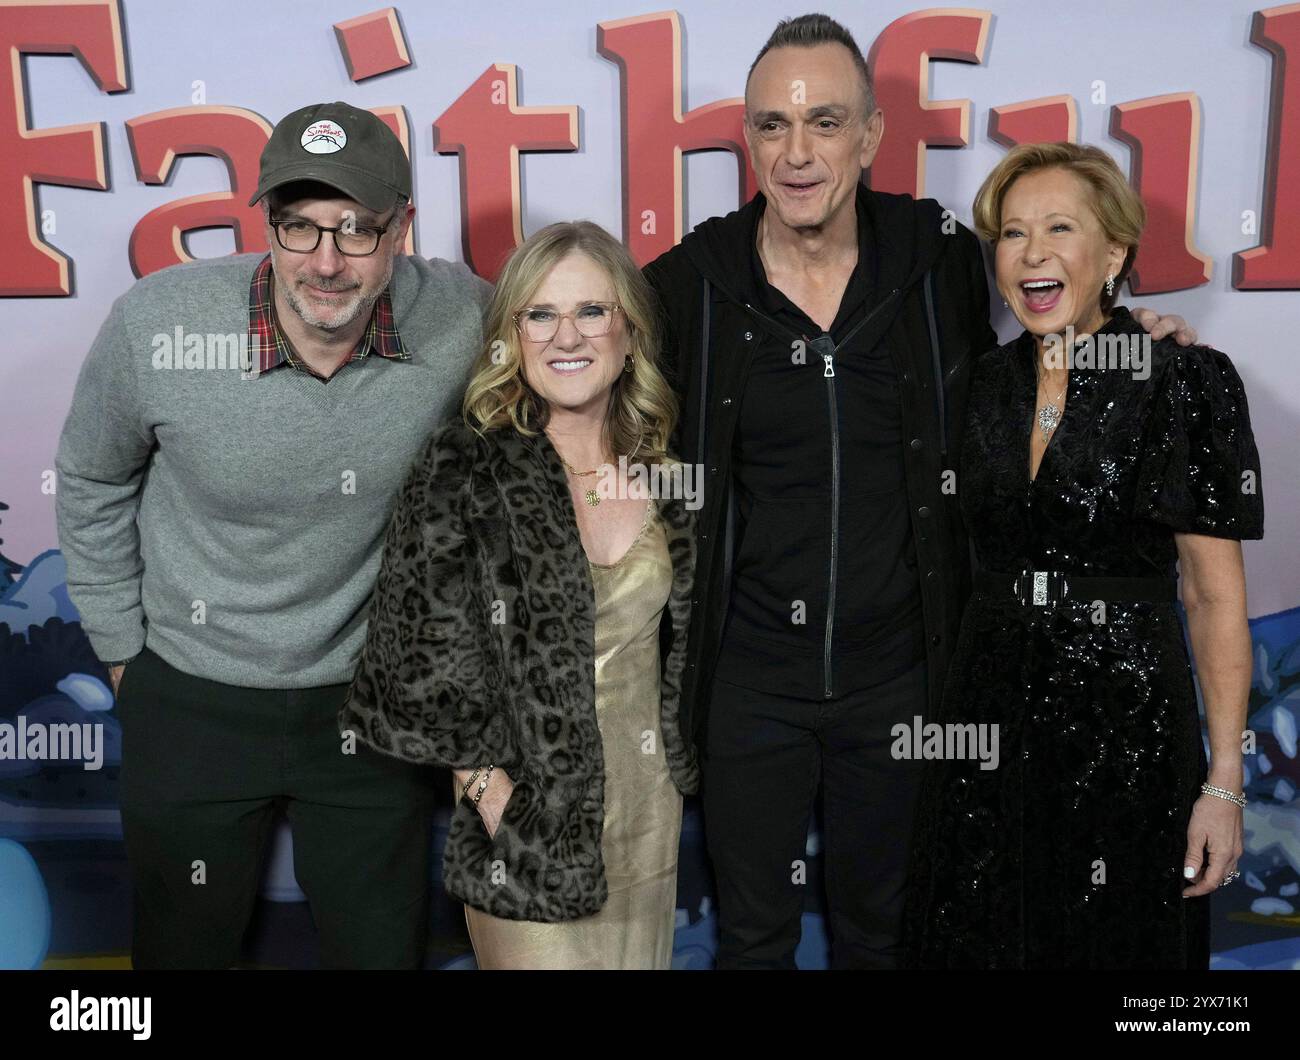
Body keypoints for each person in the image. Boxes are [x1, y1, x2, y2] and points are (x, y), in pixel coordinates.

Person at [642, 12, 1199, 969]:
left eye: (825, 123)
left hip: (904, 682)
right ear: (749, 139)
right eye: (773, 124)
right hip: (748, 687)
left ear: (870, 137)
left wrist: (1125, 336)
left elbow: (1045, 332)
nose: (798, 150)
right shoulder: (690, 284)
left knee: (889, 935)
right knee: (752, 939)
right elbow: (589, 396)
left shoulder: (938, 258)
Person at [54, 101, 490, 969]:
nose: (325, 262)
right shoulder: (158, 326)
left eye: (356, 230)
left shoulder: (465, 322)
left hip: (371, 706)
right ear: (269, 225)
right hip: (191, 694)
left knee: (382, 954)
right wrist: (120, 651)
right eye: (300, 228)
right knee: (180, 953)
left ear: (401, 229)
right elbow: (92, 478)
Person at [903, 142, 1263, 969]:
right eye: (1013, 233)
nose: (1032, 252)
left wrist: (1222, 784)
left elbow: (1213, 600)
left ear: (1114, 254)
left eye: (1060, 228)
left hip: (1127, 738)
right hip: (984, 729)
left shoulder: (1183, 381)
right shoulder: (980, 385)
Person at [340, 221, 699, 969]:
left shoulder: (667, 473)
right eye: (540, 314)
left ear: (629, 332)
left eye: (592, 312)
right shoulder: (462, 469)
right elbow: (418, 667)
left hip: (648, 819)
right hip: (525, 828)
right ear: (510, 336)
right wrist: (493, 798)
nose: (567, 335)